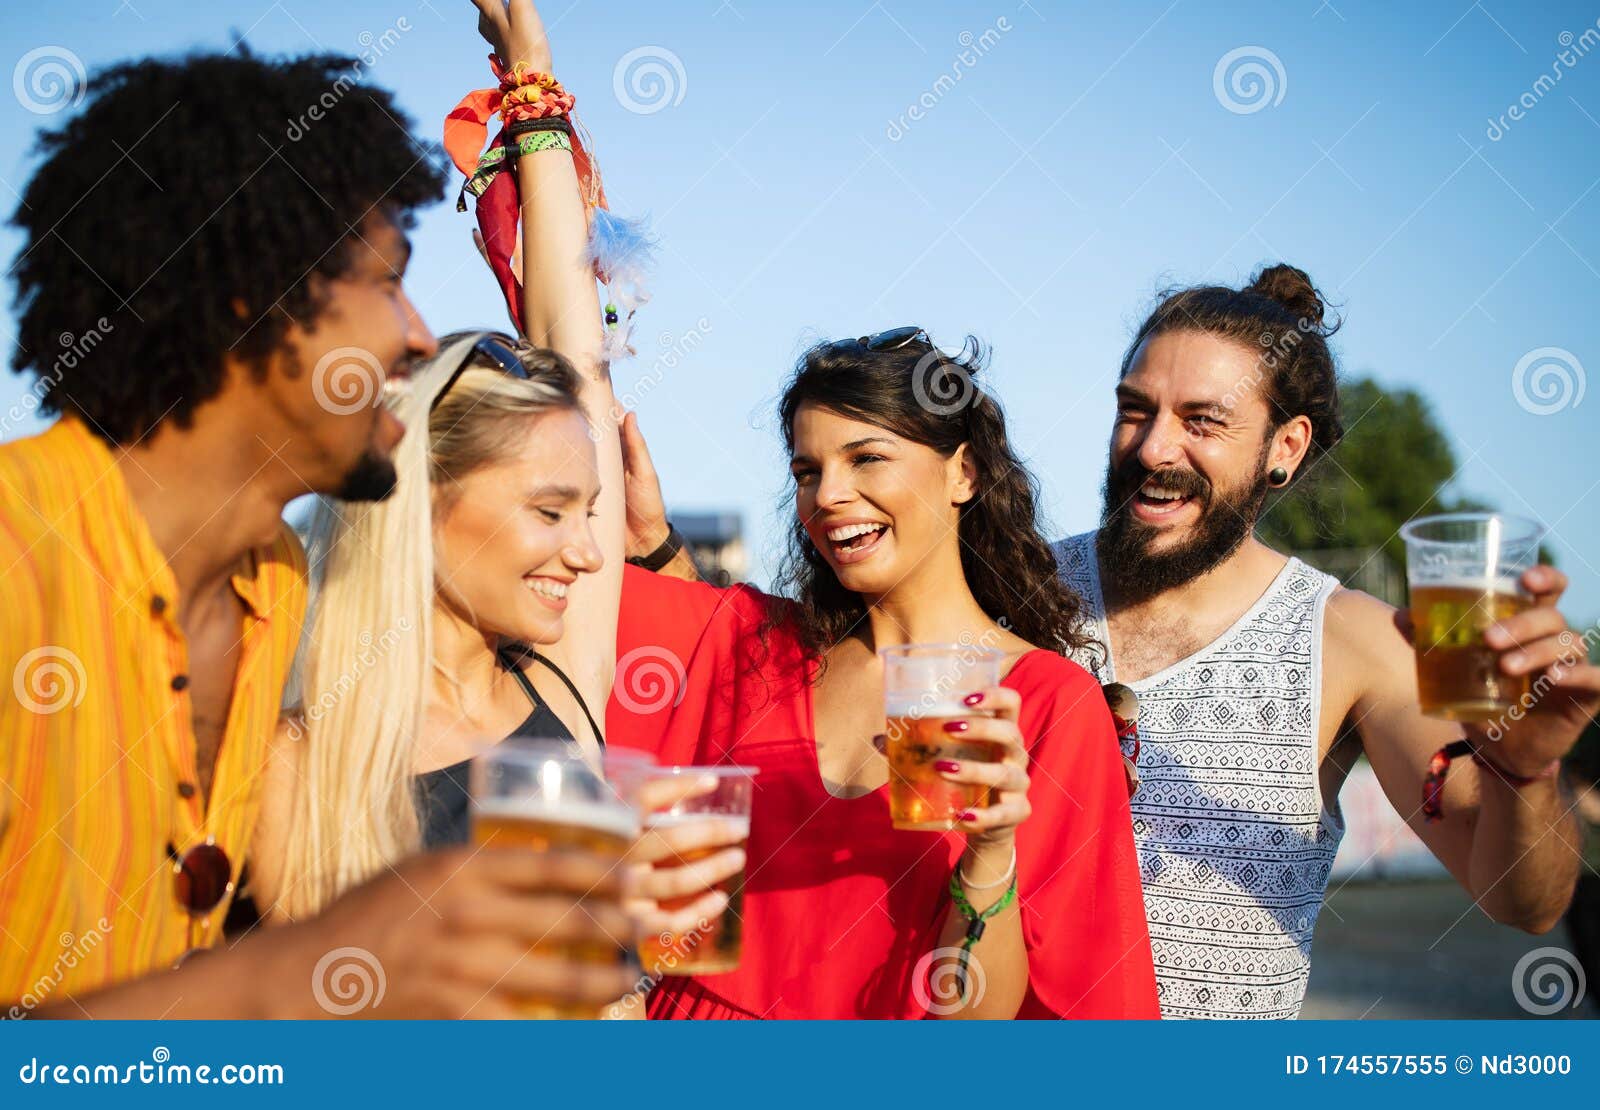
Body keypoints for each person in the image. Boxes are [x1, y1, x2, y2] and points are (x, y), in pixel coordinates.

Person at [0, 45, 636, 1018]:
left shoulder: (276, 584)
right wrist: (337, 961)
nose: (418, 334)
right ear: (253, 298)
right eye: (388, 282)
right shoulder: (18, 559)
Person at [249, 1, 743, 998]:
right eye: (550, 512)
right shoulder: (302, 763)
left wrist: (532, 82)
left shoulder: (561, 679)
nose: (590, 553)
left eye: (587, 512)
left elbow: (577, 352)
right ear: (423, 500)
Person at [1051, 263, 1597, 1018]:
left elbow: (1521, 902)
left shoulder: (1349, 639)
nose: (1153, 448)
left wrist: (1525, 772)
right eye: (1135, 411)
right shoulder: (1012, 592)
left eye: (1202, 421)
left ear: (1285, 446)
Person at [610, 332, 1159, 1019]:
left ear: (963, 473)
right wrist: (645, 537)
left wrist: (991, 850)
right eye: (807, 471)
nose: (828, 494)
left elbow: (985, 1024)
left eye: (866, 458)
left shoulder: (1048, 704)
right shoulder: (759, 647)